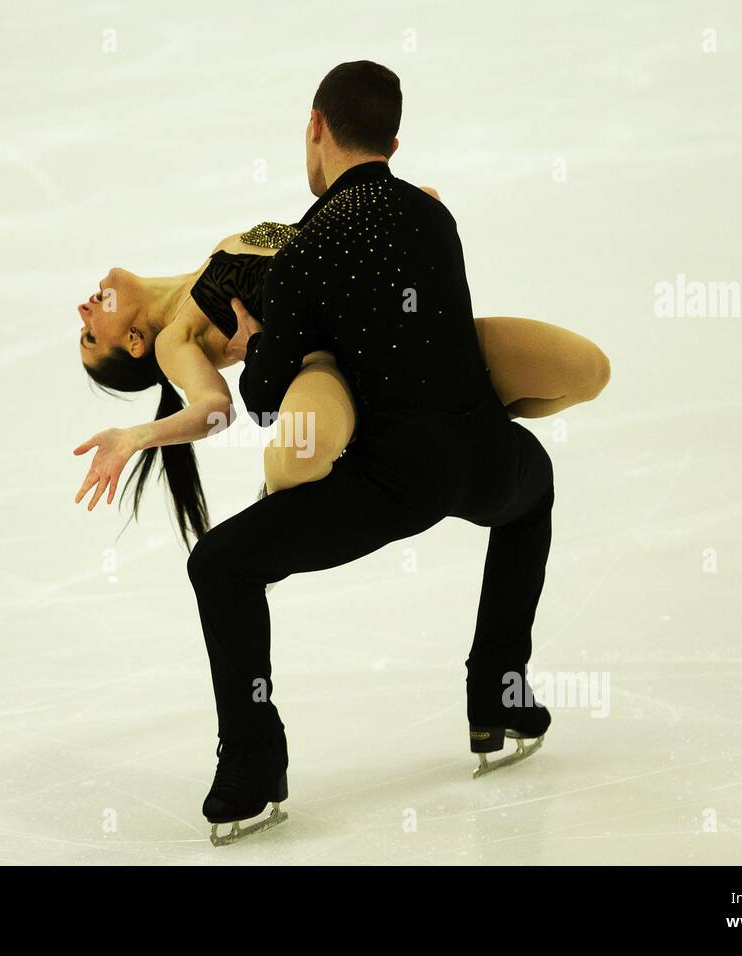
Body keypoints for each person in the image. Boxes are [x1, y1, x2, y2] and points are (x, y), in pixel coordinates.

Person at [184, 61, 570, 844]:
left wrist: (257, 343)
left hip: (393, 483)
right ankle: (498, 691)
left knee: (219, 564)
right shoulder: (436, 218)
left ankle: (254, 764)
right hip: (481, 454)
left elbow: (265, 403)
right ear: (393, 141)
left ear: (316, 129)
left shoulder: (303, 250)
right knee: (535, 487)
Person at [74, 227, 608, 545]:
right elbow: (216, 409)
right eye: (91, 336)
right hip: (335, 366)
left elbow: (322, 235)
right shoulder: (175, 340)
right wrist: (135, 437)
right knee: (300, 453)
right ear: (136, 341)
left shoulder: (218, 250)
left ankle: (455, 418)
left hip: (409, 334)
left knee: (588, 372)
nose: (84, 310)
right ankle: (401, 444)